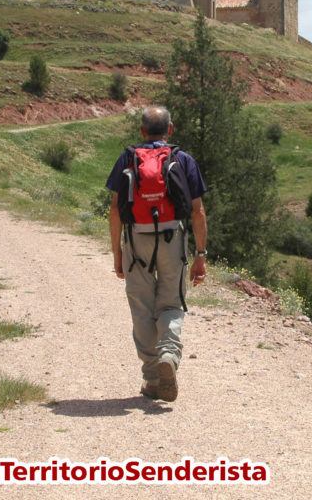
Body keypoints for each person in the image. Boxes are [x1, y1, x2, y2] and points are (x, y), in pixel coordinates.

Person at [107, 106, 207, 402]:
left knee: (141, 306)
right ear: (170, 129)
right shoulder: (182, 159)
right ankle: (169, 354)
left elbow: (115, 210)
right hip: (172, 237)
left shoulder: (128, 158)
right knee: (171, 302)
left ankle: (152, 378)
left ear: (141, 131)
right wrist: (200, 255)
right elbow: (198, 211)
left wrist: (117, 253)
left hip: (136, 239)